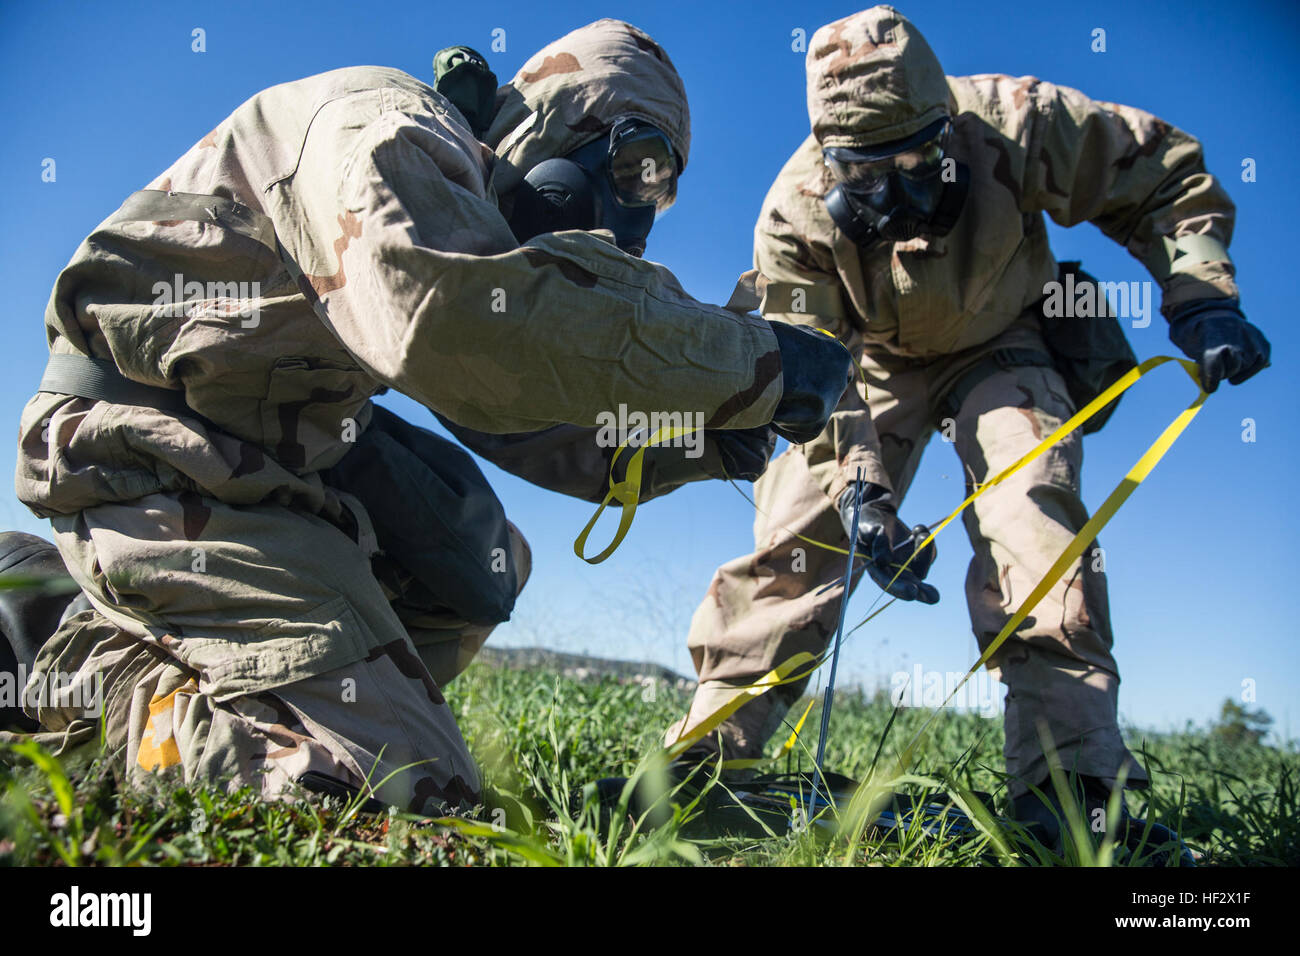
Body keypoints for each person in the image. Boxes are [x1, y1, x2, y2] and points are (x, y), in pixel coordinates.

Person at [0, 19, 853, 815]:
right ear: (556, 127)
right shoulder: (390, 123)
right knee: (394, 790)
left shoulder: (478, 226)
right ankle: (56, 645)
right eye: (633, 169)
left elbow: (533, 417)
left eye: (659, 193)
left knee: (477, 557)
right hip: (147, 448)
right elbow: (449, 324)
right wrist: (752, 359)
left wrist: (703, 431)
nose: (633, 217)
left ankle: (306, 674)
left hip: (275, 452)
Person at [663, 6, 1268, 856]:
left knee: (1036, 522)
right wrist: (864, 494)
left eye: (920, 163)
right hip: (861, 363)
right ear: (830, 163)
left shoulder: (1021, 123)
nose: (899, 196)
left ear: (951, 127)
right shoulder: (793, 217)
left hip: (1004, 340)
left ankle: (1077, 795)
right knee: (797, 541)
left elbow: (1162, 174)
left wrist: (1202, 296)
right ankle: (705, 768)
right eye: (867, 177)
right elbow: (808, 370)